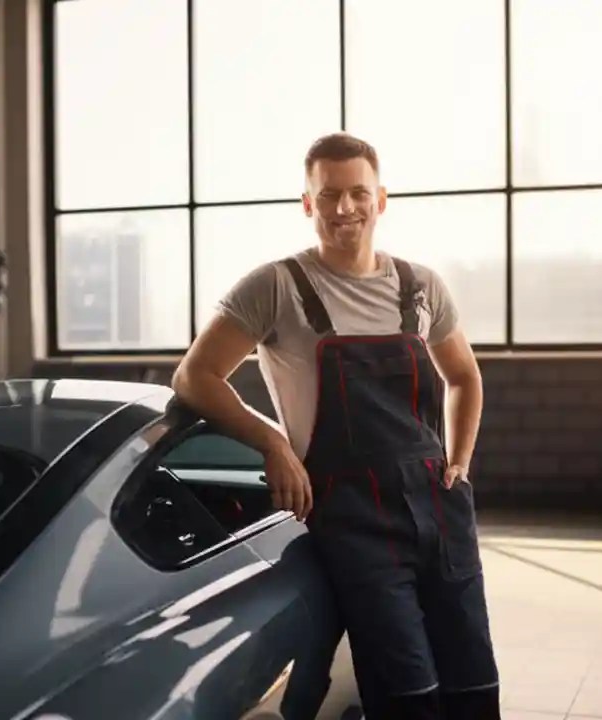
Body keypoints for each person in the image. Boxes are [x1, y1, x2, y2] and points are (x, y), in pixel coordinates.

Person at [170, 132, 500, 720]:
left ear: (381, 199)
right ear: (308, 203)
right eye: (328, 195)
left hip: (439, 508)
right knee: (406, 691)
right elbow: (195, 377)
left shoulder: (420, 286)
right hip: (352, 518)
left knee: (472, 682)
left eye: (358, 193)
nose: (344, 207)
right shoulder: (275, 287)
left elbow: (465, 377)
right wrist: (272, 442)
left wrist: (459, 463)